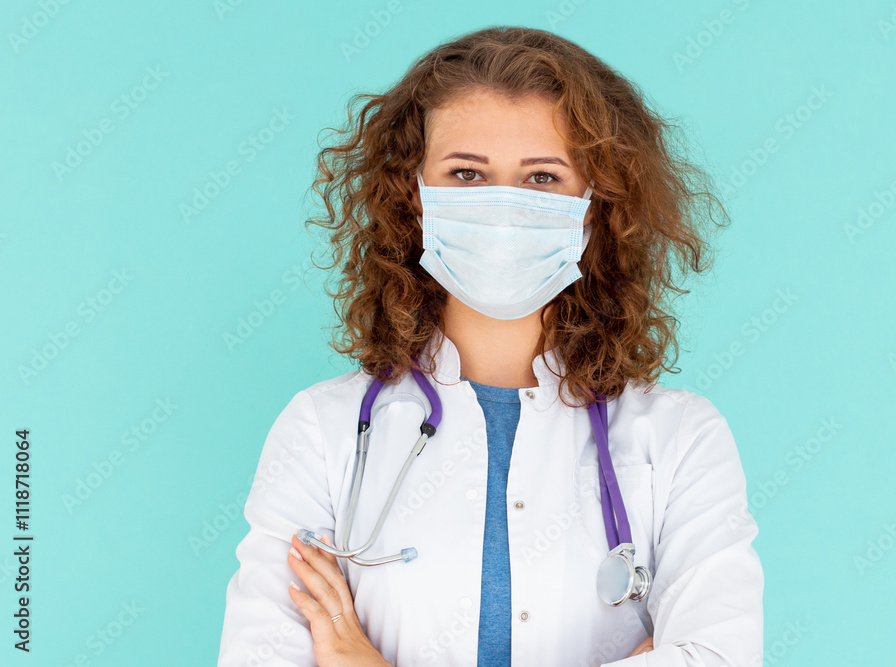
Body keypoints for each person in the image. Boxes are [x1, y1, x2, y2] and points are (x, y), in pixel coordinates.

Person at [218, 26, 763, 667]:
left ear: (595, 203)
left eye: (541, 178)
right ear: (413, 195)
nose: (503, 207)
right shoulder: (321, 431)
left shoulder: (680, 439)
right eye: (467, 174)